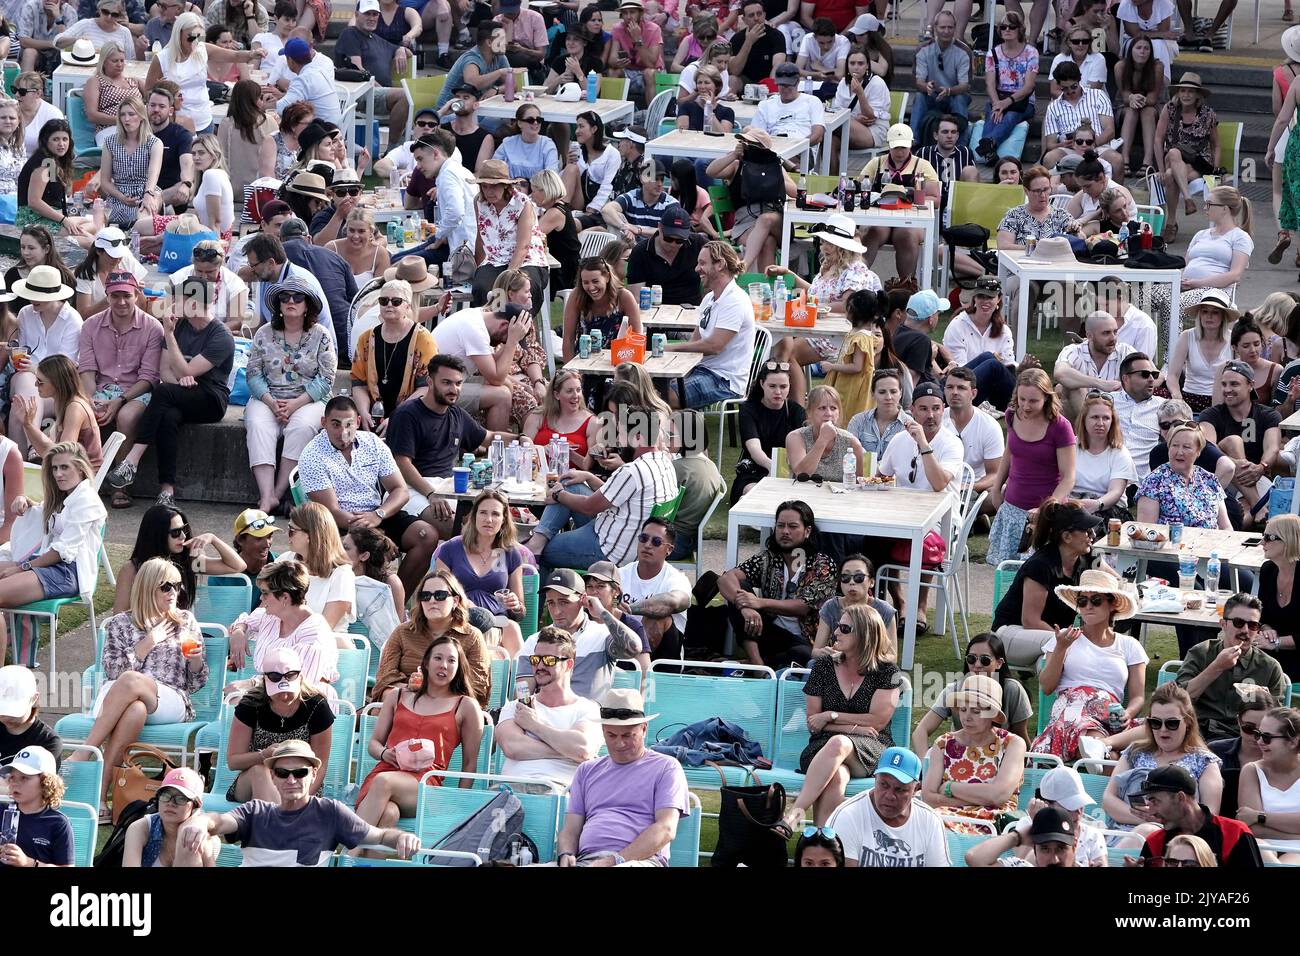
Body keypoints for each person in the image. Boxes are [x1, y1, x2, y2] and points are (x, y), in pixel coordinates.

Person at [75, 556, 209, 813]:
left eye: (177, 585)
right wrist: (148, 642)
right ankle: (102, 795)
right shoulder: (119, 623)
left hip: (169, 698)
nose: (174, 592)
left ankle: (84, 751)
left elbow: (196, 682)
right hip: (120, 696)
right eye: (166, 586)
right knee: (134, 706)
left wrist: (195, 661)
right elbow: (113, 670)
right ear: (148, 587)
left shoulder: (184, 621)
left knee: (132, 682)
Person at [182, 738, 421, 866]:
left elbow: (379, 836)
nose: (292, 780)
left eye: (301, 773)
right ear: (273, 777)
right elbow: (220, 821)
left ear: (314, 774)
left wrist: (401, 837)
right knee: (188, 838)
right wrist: (201, 822)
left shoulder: (329, 812)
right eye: (284, 773)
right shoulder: (256, 811)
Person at [106, 278, 235, 507]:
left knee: (164, 393)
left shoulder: (221, 336)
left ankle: (131, 460)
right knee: (168, 416)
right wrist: (180, 381)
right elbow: (164, 372)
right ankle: (167, 490)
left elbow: (187, 370)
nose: (172, 303)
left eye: (179, 299)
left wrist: (170, 336)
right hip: (178, 393)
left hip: (211, 398)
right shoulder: (180, 326)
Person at [296, 396, 437, 596]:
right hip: (338, 524)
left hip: (376, 513)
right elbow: (332, 512)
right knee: (374, 549)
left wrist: (379, 514)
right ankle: (372, 601)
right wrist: (376, 534)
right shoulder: (312, 456)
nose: (343, 432)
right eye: (335, 425)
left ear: (358, 423)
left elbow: (400, 490)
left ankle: (394, 600)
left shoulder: (373, 443)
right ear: (324, 423)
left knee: (427, 535)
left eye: (349, 425)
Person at [528, 402, 678, 571]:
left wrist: (558, 495)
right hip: (619, 534)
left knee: (542, 554)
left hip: (609, 551)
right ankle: (538, 540)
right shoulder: (665, 462)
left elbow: (589, 507)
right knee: (572, 484)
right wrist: (589, 477)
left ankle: (537, 551)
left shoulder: (633, 471)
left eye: (620, 434)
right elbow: (621, 494)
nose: (616, 441)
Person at [355, 634, 484, 829]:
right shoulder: (397, 695)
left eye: (451, 660)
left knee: (383, 783)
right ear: (426, 662)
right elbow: (373, 744)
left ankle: (345, 857)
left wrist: (459, 805)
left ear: (459, 667)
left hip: (424, 783)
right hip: (385, 771)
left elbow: (470, 763)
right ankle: (362, 859)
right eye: (438, 658)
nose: (444, 665)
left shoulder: (465, 706)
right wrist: (384, 753)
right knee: (389, 814)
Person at [550, 686, 687, 867]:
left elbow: (666, 829)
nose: (619, 743)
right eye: (611, 735)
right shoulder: (586, 770)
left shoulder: (666, 767)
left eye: (628, 735)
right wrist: (566, 853)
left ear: (644, 729)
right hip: (587, 861)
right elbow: (570, 829)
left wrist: (613, 861)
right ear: (603, 731)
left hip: (640, 860)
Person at [0, 442, 104, 665]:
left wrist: (22, 568)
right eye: (55, 468)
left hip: (67, 572)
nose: (58, 473)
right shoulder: (65, 497)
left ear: (81, 469)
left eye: (65, 467)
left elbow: (62, 551)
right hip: (49, 566)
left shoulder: (87, 500)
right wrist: (25, 502)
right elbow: (43, 513)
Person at [1031, 569, 1148, 761]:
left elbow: (1138, 697)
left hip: (1110, 714)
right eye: (1082, 601)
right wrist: (1061, 648)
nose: (1088, 607)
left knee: (1156, 726)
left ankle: (1101, 747)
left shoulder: (1129, 645)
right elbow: (1046, 686)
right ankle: (1104, 753)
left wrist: (1128, 713)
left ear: (1113, 604)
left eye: (1096, 600)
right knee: (1083, 726)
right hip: (1072, 706)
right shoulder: (1065, 639)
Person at [244, 277, 335, 515]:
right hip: (268, 397)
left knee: (303, 426)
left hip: (309, 399)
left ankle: (277, 492)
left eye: (297, 297)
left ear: (308, 305)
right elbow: (253, 374)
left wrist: (295, 404)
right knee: (256, 424)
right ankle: (266, 496)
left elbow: (326, 378)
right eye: (284, 298)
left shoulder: (321, 335)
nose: (290, 302)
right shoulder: (264, 333)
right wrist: (271, 402)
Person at [767, 216, 881, 403]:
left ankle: (798, 408)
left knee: (787, 354)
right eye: (824, 242)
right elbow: (814, 293)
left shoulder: (855, 269)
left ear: (843, 247)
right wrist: (789, 275)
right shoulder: (829, 265)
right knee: (784, 351)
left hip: (843, 333)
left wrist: (813, 307)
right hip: (820, 329)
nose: (824, 247)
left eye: (830, 243)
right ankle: (797, 408)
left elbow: (848, 304)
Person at [991, 500, 1110, 669]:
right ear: (1066, 536)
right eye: (1085, 530)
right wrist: (1071, 641)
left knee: (1051, 661)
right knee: (1063, 645)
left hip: (1048, 640)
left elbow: (1115, 582)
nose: (1092, 534)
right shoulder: (1041, 565)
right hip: (1010, 633)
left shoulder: (1088, 557)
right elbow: (1030, 621)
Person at [718, 499, 837, 669]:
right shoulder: (768, 558)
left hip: (805, 641)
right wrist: (747, 608)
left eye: (793, 526)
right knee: (738, 590)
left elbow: (803, 606)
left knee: (803, 656)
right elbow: (725, 579)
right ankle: (757, 663)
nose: (785, 531)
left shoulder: (823, 565)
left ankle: (756, 665)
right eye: (780, 526)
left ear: (807, 531)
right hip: (766, 632)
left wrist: (759, 602)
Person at [1103, 683, 1224, 841]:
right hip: (1126, 833)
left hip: (1177, 841)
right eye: (1156, 722)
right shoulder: (1135, 752)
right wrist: (1146, 820)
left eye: (1172, 723)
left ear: (1187, 722)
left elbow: (1208, 817)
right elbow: (1108, 799)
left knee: (1146, 832)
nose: (1163, 730)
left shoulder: (1204, 761)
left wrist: (1161, 823)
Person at [986, 368, 1078, 566]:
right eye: (1022, 399)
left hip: (1045, 516)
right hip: (1012, 508)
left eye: (1033, 401)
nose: (1026, 406)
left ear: (1046, 397)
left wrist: (1048, 505)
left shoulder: (1060, 426)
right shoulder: (1012, 415)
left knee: (1038, 575)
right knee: (1007, 575)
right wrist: (996, 488)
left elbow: (1069, 477)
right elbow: (1009, 453)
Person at [1174, 593, 1289, 741]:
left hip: (1245, 738)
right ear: (1223, 625)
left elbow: (1276, 724)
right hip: (1197, 733)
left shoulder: (1270, 667)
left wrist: (1266, 702)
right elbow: (1177, 701)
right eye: (1239, 623)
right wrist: (1216, 667)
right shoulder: (1201, 653)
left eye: (1252, 625)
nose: (1245, 630)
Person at [515, 569, 642, 700]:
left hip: (589, 718)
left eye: (564, 602)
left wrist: (602, 613)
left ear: (583, 599)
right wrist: (527, 711)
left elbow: (634, 648)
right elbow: (522, 690)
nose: (557, 611)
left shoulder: (602, 635)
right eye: (551, 603)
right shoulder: (534, 640)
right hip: (544, 716)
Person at [921, 674, 1027, 828]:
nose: (967, 717)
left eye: (976, 711)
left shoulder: (1012, 744)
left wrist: (950, 787)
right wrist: (976, 799)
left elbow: (998, 795)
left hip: (992, 824)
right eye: (963, 709)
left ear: (993, 714)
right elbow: (929, 797)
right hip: (944, 821)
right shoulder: (943, 744)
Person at [432, 489, 527, 656]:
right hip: (458, 622)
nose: (489, 520)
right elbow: (436, 593)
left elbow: (520, 613)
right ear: (474, 515)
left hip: (497, 625)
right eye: (483, 512)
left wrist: (516, 605)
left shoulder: (510, 553)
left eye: (495, 514)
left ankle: (516, 680)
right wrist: (463, 603)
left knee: (509, 631)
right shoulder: (451, 549)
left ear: (504, 519)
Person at [372, 569, 489, 705]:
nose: (432, 601)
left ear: (455, 601)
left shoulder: (472, 637)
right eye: (425, 596)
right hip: (406, 701)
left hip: (451, 707)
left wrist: (434, 689)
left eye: (440, 595)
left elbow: (478, 689)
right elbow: (384, 682)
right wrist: (410, 688)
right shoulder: (402, 632)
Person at [665, 240, 756, 410]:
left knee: (664, 395)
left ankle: (670, 433)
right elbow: (695, 341)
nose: (696, 268)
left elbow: (714, 346)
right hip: (702, 369)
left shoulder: (735, 301)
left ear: (720, 264)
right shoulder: (709, 298)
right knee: (650, 385)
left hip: (724, 380)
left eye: (702, 263)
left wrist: (670, 349)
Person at [227, 561, 341, 696]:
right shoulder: (272, 616)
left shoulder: (314, 634)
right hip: (270, 695)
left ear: (284, 597)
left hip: (305, 702)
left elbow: (296, 683)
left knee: (237, 701)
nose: (260, 597)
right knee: (235, 699)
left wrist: (251, 684)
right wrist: (239, 631)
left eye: (265, 593)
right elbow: (246, 620)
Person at [112, 504, 243, 614]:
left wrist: (212, 538)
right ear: (158, 535)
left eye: (184, 529)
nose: (183, 536)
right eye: (175, 532)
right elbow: (119, 615)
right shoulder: (132, 569)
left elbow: (237, 566)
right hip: (145, 636)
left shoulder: (190, 562)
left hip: (180, 636)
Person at [915, 633, 1033, 754]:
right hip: (958, 760)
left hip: (1003, 759)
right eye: (971, 658)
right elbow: (921, 731)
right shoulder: (954, 691)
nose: (977, 665)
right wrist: (925, 765)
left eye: (985, 660)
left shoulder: (1013, 690)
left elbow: (1021, 735)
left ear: (999, 663)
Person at [350, 274, 439, 434]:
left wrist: (398, 416)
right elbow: (359, 383)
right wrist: (363, 413)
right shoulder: (366, 339)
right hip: (374, 414)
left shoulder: (423, 339)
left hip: (412, 414)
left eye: (396, 301)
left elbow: (426, 387)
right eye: (383, 301)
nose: (389, 305)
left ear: (407, 306)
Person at [147, 12, 260, 136]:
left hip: (204, 119)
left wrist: (252, 54)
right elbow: (148, 91)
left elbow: (234, 55)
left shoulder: (202, 49)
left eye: (199, 38)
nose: (195, 42)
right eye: (190, 37)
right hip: (176, 122)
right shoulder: (162, 58)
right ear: (178, 33)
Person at [704, 127, 796, 273]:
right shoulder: (737, 164)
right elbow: (710, 171)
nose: (744, 145)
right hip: (745, 223)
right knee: (768, 242)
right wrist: (734, 155)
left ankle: (744, 265)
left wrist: (770, 178)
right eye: (743, 142)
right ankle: (767, 287)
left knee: (766, 219)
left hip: (774, 216)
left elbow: (795, 191)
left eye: (748, 143)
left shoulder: (775, 165)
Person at [1199, 359, 1280, 524]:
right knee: (1233, 442)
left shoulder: (1268, 415)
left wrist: (1260, 467)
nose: (1227, 389)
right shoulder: (1210, 414)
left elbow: (1273, 448)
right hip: (1221, 476)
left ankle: (1248, 516)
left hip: (1256, 478)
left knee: (1244, 520)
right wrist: (1235, 463)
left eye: (1234, 384)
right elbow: (1208, 446)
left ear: (1250, 385)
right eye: (1224, 384)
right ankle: (1257, 505)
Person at [1134, 765, 1263, 867]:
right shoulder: (1154, 841)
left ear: (1180, 797)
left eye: (1155, 801)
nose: (1150, 811)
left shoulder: (1235, 833)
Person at [431, 301, 529, 433]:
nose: (502, 342)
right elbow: (496, 378)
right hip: (435, 390)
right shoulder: (475, 330)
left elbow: (490, 364)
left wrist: (509, 341)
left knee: (507, 386)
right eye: (504, 339)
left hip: (448, 380)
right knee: (502, 395)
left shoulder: (478, 317)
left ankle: (486, 435)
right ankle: (495, 446)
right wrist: (511, 342)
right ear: (504, 325)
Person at [859, 125, 940, 281]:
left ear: (910, 145)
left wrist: (913, 197)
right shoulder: (876, 163)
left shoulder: (922, 166)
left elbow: (935, 200)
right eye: (896, 147)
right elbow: (859, 190)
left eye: (904, 147)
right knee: (872, 231)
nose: (900, 152)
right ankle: (858, 278)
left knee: (906, 235)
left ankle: (906, 284)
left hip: (910, 220)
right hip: (881, 218)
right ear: (889, 145)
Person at [470, 159, 549, 316]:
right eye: (484, 186)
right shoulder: (479, 202)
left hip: (527, 259)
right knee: (481, 287)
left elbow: (523, 247)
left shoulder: (522, 202)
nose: (488, 191)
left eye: (494, 186)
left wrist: (506, 278)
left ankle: (520, 331)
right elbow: (480, 235)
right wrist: (477, 267)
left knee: (519, 288)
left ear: (505, 185)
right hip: (495, 259)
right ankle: (495, 329)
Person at [1155, 73, 1220, 242]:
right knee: (1174, 153)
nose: (1186, 95)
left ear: (1198, 95)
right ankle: (1188, 199)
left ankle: (1171, 223)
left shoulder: (1208, 114)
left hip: (1198, 162)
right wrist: (1160, 169)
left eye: (1191, 91)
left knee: (1171, 175)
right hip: (1172, 157)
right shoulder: (1169, 109)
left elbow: (1216, 144)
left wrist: (1216, 170)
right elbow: (1158, 139)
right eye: (1183, 91)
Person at [617, 517, 692, 659]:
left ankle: (636, 669)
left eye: (656, 542)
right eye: (643, 538)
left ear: (669, 550)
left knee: (657, 617)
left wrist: (629, 609)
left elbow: (674, 602)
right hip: (624, 645)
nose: (647, 545)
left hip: (664, 658)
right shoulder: (620, 574)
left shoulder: (677, 579)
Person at [334, 0, 410, 140]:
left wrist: (400, 50)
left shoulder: (376, 39)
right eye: (367, 13)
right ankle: (393, 147)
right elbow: (359, 71)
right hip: (360, 93)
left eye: (375, 14)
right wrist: (379, 87)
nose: (371, 18)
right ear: (357, 15)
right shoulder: (350, 34)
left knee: (415, 97)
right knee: (405, 96)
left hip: (380, 93)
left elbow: (406, 52)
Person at [732, 360, 806, 503]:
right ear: (761, 384)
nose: (778, 392)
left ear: (790, 385)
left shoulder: (797, 411)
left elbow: (802, 448)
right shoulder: (748, 409)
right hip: (755, 469)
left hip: (789, 469)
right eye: (772, 386)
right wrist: (772, 466)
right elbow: (754, 449)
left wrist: (785, 470)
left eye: (783, 386)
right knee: (752, 491)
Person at [16, 355, 103, 472]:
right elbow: (53, 453)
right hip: (70, 470)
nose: (36, 385)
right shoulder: (64, 403)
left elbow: (62, 454)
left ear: (57, 384)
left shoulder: (75, 407)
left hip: (81, 476)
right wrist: (28, 425)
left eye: (40, 382)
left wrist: (29, 425)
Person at [942, 278, 1018, 412]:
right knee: (991, 362)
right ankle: (1021, 403)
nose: (986, 301)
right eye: (981, 296)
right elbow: (959, 372)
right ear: (974, 298)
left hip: (996, 393)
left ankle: (1022, 401)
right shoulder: (958, 325)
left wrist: (1022, 368)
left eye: (990, 297)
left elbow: (1008, 369)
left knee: (993, 362)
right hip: (961, 390)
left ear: (998, 299)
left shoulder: (1003, 330)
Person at [1236, 706, 1300, 862]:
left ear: (1292, 742)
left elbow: (1254, 819)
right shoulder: (1252, 771)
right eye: (1258, 735)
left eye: (1267, 737)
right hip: (1262, 847)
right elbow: (1252, 829)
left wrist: (1259, 816)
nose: (1259, 742)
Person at [122, 766, 219, 866]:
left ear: (195, 805)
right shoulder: (140, 828)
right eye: (165, 795)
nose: (171, 803)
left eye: (181, 798)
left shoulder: (201, 837)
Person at [976, 12, 1038, 162]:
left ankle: (987, 143)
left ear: (1020, 29)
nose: (1007, 30)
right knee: (994, 114)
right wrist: (998, 103)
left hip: (1022, 101)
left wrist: (1006, 103)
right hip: (998, 97)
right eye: (1003, 27)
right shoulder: (993, 53)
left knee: (1010, 115)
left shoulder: (1031, 52)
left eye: (1012, 26)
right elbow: (990, 84)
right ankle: (989, 149)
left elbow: (1029, 87)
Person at [1040, 64, 1122, 173]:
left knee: (1117, 160)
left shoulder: (1098, 95)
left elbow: (1110, 131)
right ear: (1059, 85)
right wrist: (1063, 144)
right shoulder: (1053, 107)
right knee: (1049, 158)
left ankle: (1115, 190)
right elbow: (1050, 144)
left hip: (1098, 146)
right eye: (1065, 88)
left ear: (1079, 80)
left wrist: (1089, 144)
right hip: (1069, 150)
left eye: (1073, 86)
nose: (1070, 91)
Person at [1054, 313, 1137, 421]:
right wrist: (1102, 384)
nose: (1113, 338)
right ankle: (1088, 431)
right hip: (1078, 418)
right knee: (1069, 386)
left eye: (1115, 332)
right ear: (1089, 336)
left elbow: (1155, 376)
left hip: (1119, 417)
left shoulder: (1124, 351)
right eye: (1106, 333)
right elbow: (1060, 373)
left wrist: (1128, 383)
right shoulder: (1074, 351)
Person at [0, 746, 72, 867]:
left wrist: (29, 863)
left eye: (24, 777)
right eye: (12, 777)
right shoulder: (2, 811)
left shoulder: (58, 823)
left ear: (46, 782)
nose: (15, 783)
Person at [561, 256, 641, 364]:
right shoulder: (577, 296)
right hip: (583, 362)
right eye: (586, 282)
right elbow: (568, 339)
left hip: (617, 363)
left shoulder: (624, 297)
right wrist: (570, 371)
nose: (591, 287)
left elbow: (636, 338)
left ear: (607, 277)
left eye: (595, 281)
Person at [1068, 392, 1136, 520]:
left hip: (1107, 508)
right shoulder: (1070, 447)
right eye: (1094, 417)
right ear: (1084, 419)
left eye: (1106, 418)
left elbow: (1116, 491)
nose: (1100, 423)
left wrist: (1096, 504)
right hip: (1073, 504)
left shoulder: (1120, 453)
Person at [16, 120, 89, 236]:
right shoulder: (44, 164)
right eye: (56, 139)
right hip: (34, 221)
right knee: (89, 239)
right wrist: (64, 220)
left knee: (93, 223)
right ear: (46, 142)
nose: (61, 144)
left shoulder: (54, 161)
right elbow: (34, 202)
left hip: (50, 217)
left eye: (65, 139)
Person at [943, 367, 1004, 506]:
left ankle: (971, 512)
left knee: (1004, 492)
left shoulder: (989, 426)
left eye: (961, 388)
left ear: (973, 393)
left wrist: (970, 486)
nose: (954, 392)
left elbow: (995, 474)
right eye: (950, 387)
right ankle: (974, 517)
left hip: (976, 488)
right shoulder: (935, 421)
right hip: (941, 486)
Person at [909, 11, 970, 144]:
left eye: (950, 27)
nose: (946, 31)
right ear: (935, 28)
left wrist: (949, 91)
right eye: (942, 27)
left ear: (955, 28)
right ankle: (913, 141)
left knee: (960, 98)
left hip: (953, 95)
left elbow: (965, 85)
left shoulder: (964, 51)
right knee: (919, 96)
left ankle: (962, 145)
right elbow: (918, 81)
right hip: (931, 95)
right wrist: (926, 86)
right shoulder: (923, 49)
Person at [1212, 688, 1274, 818]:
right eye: (1249, 728)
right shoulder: (1216, 751)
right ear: (1238, 721)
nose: (1256, 736)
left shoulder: (1282, 757)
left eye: (1263, 731)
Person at [218, 79, 280, 208]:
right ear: (254, 100)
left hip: (233, 189)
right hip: (260, 190)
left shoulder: (226, 123)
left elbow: (221, 155)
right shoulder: (267, 121)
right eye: (260, 97)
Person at [625, 207, 705, 308]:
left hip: (692, 310)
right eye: (668, 238)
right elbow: (636, 298)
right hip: (654, 312)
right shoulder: (641, 251)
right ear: (659, 227)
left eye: (680, 241)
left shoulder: (698, 244)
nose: (673, 244)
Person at [786, 385, 866, 484]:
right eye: (822, 408)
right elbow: (802, 474)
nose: (828, 413)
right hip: (804, 495)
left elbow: (857, 485)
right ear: (809, 412)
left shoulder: (852, 443)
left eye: (833, 408)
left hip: (840, 497)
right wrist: (822, 440)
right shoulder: (796, 437)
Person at [525, 370, 599, 472]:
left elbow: (587, 466)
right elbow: (522, 453)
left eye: (578, 390)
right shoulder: (538, 416)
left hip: (573, 482)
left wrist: (567, 452)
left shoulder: (592, 422)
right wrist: (540, 450)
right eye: (569, 391)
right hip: (537, 477)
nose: (575, 395)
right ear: (556, 395)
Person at [342, 527, 402, 649]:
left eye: (346, 548)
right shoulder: (338, 578)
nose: (339, 551)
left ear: (364, 556)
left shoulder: (390, 582)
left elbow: (396, 629)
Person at [996, 165, 1078, 250]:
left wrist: (1076, 231)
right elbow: (1003, 246)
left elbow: (1081, 239)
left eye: (1046, 189)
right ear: (1026, 191)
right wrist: (1035, 248)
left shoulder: (1061, 215)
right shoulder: (1014, 215)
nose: (1042, 195)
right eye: (1037, 191)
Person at [1114, 37, 1163, 178]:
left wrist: (1138, 99)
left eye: (1146, 48)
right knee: (1131, 111)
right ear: (1131, 50)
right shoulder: (1120, 66)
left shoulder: (1157, 66)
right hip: (1125, 105)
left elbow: (1153, 98)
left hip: (1152, 105)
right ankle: (1124, 159)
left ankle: (1147, 161)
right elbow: (1124, 96)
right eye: (1138, 48)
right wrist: (1131, 98)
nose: (1142, 52)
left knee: (1147, 112)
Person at [435, 22, 512, 110]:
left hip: (473, 110)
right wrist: (499, 72)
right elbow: (472, 83)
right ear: (489, 42)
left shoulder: (500, 57)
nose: (506, 42)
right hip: (450, 112)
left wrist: (497, 89)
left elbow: (513, 85)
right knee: (497, 122)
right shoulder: (471, 58)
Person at [83, 42, 145, 149]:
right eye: (115, 61)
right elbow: (91, 115)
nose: (119, 64)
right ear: (104, 62)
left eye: (122, 60)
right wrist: (122, 120)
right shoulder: (96, 81)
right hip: (110, 128)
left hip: (138, 128)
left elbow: (155, 100)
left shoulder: (135, 81)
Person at [144, 84, 196, 210]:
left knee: (184, 186)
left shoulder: (181, 134)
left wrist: (186, 184)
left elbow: (187, 165)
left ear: (171, 111)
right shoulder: (137, 132)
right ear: (146, 107)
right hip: (140, 189)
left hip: (169, 194)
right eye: (152, 105)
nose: (156, 110)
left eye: (162, 106)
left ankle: (151, 204)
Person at [0, 665, 62, 770]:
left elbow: (44, 784)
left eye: (14, 709)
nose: (6, 716)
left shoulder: (48, 742)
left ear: (34, 700)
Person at [272, 36, 341, 127]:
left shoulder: (304, 79)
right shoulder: (319, 70)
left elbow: (282, 109)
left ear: (291, 61)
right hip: (334, 129)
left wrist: (263, 106)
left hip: (322, 133)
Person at [606, 0, 663, 108]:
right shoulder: (617, 28)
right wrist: (618, 63)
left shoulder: (654, 29)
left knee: (649, 73)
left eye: (632, 12)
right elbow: (611, 59)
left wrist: (638, 39)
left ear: (640, 13)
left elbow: (651, 63)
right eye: (625, 13)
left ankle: (653, 115)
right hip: (629, 70)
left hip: (652, 71)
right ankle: (612, 116)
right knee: (612, 72)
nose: (628, 16)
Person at [727, 0, 787, 97]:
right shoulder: (737, 39)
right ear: (744, 19)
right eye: (751, 15)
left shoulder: (776, 36)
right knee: (732, 79)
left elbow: (777, 66)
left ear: (764, 15)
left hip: (768, 81)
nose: (756, 18)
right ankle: (731, 109)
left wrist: (770, 88)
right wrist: (748, 42)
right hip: (746, 82)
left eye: (759, 14)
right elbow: (734, 70)